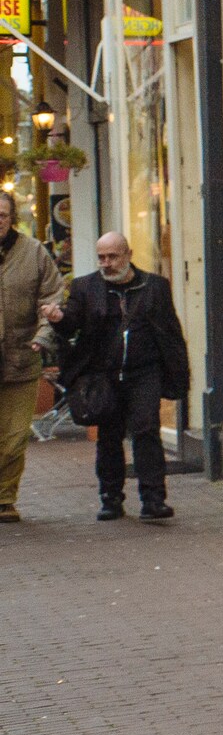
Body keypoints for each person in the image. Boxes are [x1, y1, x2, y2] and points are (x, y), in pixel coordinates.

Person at [48, 230, 189, 522]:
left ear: (128, 255)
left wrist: (178, 374)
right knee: (109, 436)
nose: (107, 263)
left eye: (113, 256)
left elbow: (171, 333)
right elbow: (72, 322)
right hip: (103, 374)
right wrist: (59, 318)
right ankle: (111, 498)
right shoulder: (85, 287)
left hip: (144, 371)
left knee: (146, 430)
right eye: (101, 257)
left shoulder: (155, 287)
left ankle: (153, 500)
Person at [0, 191, 65, 522]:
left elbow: (53, 294)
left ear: (12, 219)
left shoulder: (33, 252)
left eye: (2, 215)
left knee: (13, 438)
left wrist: (42, 336)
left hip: (22, 358)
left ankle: (5, 499)